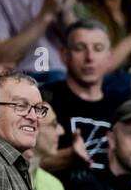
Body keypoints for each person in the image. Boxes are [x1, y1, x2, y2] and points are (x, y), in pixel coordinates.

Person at [42, 20, 123, 176]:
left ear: (109, 57)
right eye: (80, 48)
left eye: (98, 49)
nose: (90, 57)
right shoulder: (44, 98)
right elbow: (23, 159)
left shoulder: (120, 106)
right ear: (64, 56)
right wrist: (66, 157)